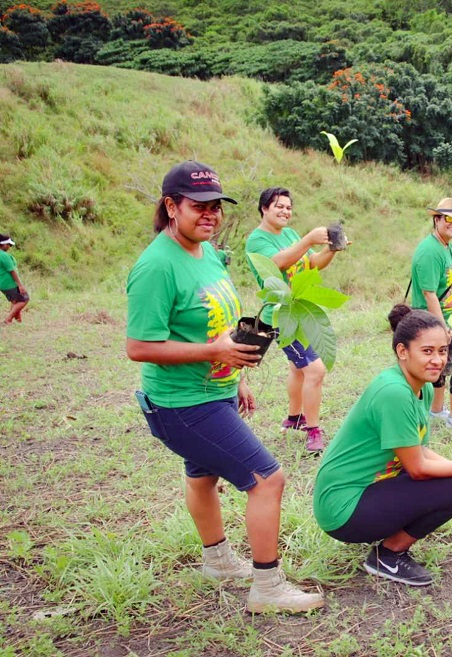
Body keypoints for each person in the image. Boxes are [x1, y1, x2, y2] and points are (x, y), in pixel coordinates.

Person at [126, 161, 324, 613]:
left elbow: (216, 326)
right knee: (267, 480)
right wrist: (214, 355)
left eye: (216, 206)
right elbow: (138, 346)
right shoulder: (156, 266)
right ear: (171, 206)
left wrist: (235, 375)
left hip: (211, 391)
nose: (210, 214)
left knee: (202, 473)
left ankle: (217, 561)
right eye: (199, 206)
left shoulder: (207, 252)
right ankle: (267, 587)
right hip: (180, 404)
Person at [313, 305, 452, 586]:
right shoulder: (394, 392)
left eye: (443, 351)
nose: (438, 360)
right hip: (342, 509)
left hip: (365, 490)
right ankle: (388, 555)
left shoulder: (423, 386)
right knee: (451, 487)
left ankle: (386, 538)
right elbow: (418, 468)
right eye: (428, 351)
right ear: (402, 351)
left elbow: (418, 449)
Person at [245, 187, 345, 453]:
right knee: (315, 370)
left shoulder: (289, 233)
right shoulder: (257, 240)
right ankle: (313, 431)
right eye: (279, 206)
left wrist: (332, 249)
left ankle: (293, 418)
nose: (285, 211)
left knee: (297, 368)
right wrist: (309, 239)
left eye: (288, 207)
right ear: (264, 208)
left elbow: (311, 263)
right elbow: (277, 263)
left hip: (301, 309)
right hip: (281, 317)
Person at [409, 197, 452, 427]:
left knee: (441, 365)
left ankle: (436, 410)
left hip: (449, 317)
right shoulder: (429, 251)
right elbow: (429, 294)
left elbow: (451, 286)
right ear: (436, 219)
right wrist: (442, 328)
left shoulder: (450, 247)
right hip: (430, 321)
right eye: (448, 218)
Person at [0, 233, 29, 324]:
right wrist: (20, 285)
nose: (9, 246)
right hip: (9, 283)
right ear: (3, 244)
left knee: (15, 301)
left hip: (3, 283)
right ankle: (8, 320)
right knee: (24, 299)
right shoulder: (4, 256)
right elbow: (12, 271)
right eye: (8, 244)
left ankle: (18, 321)